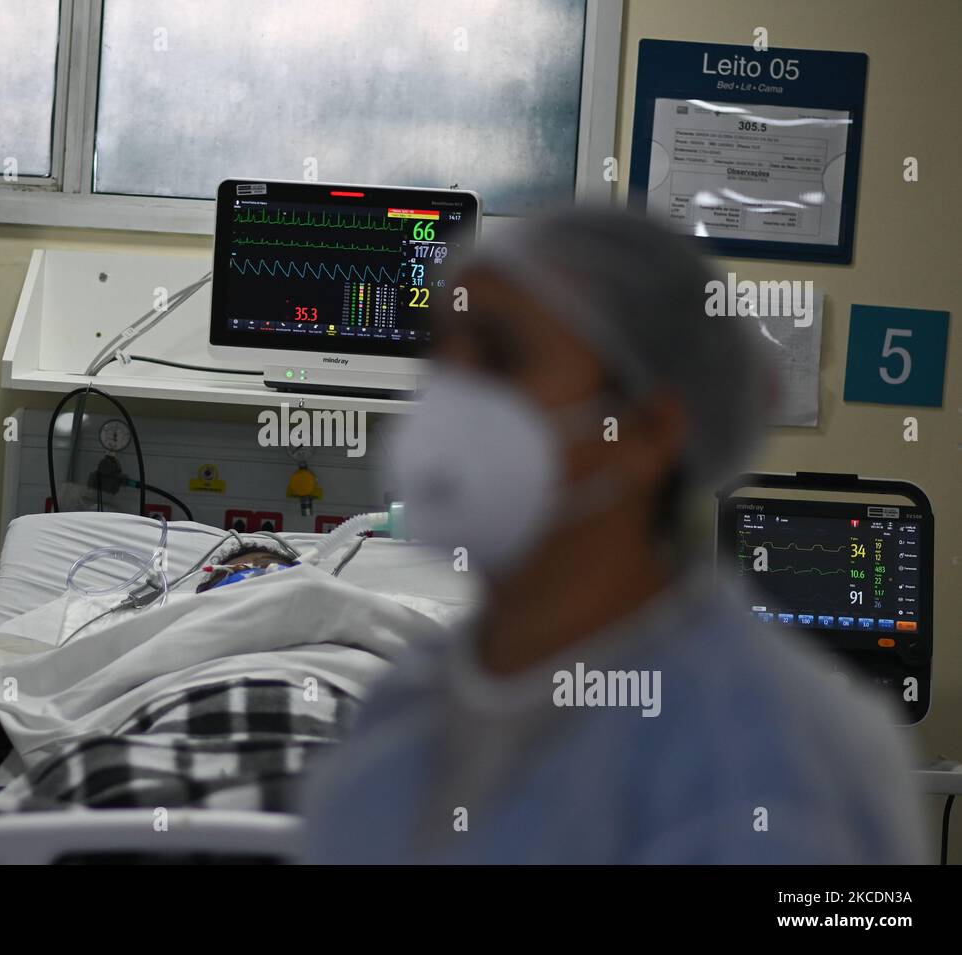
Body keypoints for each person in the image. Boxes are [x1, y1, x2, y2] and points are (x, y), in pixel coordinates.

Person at [299, 207, 930, 863]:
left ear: (648, 430)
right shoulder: (415, 700)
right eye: (441, 353)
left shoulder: (774, 765)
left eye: (498, 356)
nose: (447, 400)